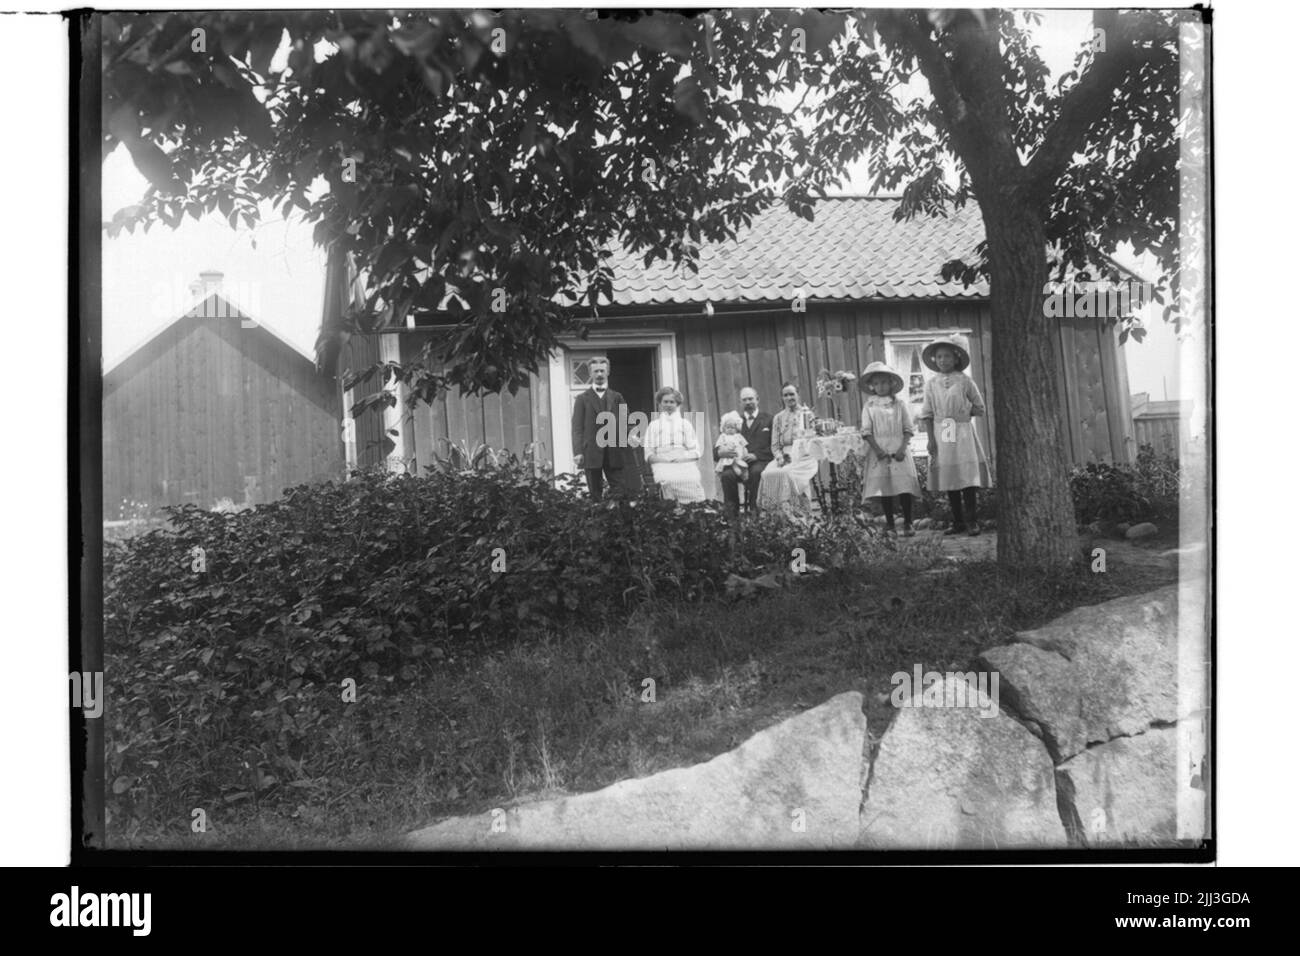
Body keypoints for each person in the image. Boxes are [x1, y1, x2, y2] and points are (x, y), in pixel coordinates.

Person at [918, 334, 990, 536]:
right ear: (935, 360)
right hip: (945, 430)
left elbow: (980, 408)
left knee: (966, 476)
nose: (943, 360)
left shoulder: (965, 381)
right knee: (950, 475)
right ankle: (958, 521)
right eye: (939, 357)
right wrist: (931, 440)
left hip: (962, 430)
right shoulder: (931, 384)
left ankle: (972, 521)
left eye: (947, 356)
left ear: (956, 358)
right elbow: (927, 414)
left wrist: (964, 413)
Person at [859, 361, 922, 536]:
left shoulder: (899, 404)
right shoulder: (869, 406)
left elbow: (908, 428)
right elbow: (866, 430)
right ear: (872, 386)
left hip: (898, 447)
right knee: (885, 487)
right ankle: (890, 523)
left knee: (903, 487)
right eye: (877, 383)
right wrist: (877, 449)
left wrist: (902, 448)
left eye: (884, 382)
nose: (881, 386)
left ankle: (908, 522)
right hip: (879, 449)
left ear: (891, 383)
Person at [570, 356, 630, 501]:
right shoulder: (582, 399)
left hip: (614, 451)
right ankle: (598, 521)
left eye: (602, 371)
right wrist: (578, 452)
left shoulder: (617, 397)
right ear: (590, 374)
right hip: (591, 452)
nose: (599, 374)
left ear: (608, 372)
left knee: (620, 492)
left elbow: (625, 422)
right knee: (595, 494)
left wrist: (625, 442)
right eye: (596, 371)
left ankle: (620, 522)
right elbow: (577, 428)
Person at [757, 382, 819, 513]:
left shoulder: (807, 414)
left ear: (798, 395)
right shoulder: (778, 418)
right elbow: (775, 445)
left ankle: (799, 513)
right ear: (782, 398)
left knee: (787, 474)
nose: (789, 398)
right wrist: (779, 457)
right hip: (784, 455)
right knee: (767, 473)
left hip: (804, 456)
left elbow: (813, 440)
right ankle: (778, 514)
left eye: (792, 394)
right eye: (785, 395)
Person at [643, 385, 706, 503]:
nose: (668, 405)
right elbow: (649, 453)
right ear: (660, 404)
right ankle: (672, 512)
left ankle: (694, 512)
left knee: (692, 480)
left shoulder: (685, 424)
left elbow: (696, 451)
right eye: (665, 401)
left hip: (683, 461)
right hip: (662, 462)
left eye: (672, 402)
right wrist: (663, 460)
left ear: (677, 404)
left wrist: (682, 458)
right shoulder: (654, 425)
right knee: (668, 480)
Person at [719, 386, 773, 517]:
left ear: (757, 400)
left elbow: (774, 445)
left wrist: (757, 455)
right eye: (744, 400)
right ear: (740, 402)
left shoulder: (769, 419)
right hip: (737, 462)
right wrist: (721, 452)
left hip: (760, 461)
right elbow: (720, 444)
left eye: (751, 399)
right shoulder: (735, 421)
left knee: (756, 473)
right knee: (727, 475)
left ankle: (755, 513)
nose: (748, 402)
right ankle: (732, 516)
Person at [714, 411, 749, 483]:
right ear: (724, 428)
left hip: (738, 455)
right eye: (728, 427)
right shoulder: (723, 436)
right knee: (727, 468)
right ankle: (734, 467)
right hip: (727, 456)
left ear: (736, 429)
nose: (730, 429)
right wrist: (722, 449)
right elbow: (718, 446)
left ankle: (744, 474)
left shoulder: (738, 436)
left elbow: (744, 444)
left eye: (732, 428)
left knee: (743, 465)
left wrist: (745, 451)